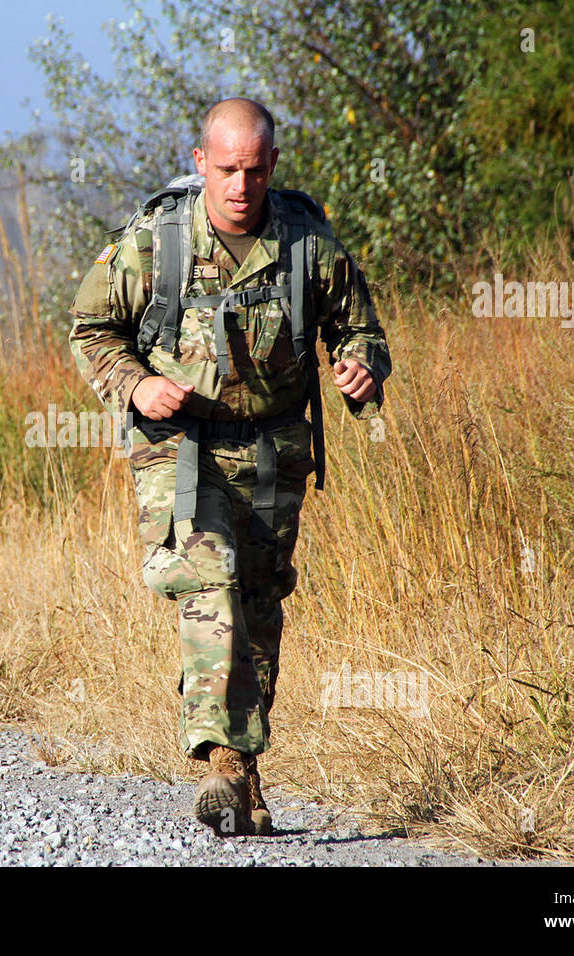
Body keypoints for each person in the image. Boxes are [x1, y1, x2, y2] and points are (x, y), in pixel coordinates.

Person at [68, 97, 392, 835]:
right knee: (207, 575)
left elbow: (361, 329)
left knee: (257, 603)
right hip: (179, 443)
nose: (240, 185)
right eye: (225, 170)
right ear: (199, 165)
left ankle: (243, 774)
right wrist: (138, 385)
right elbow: (92, 331)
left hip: (276, 445)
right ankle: (219, 764)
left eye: (252, 169)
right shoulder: (157, 242)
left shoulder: (309, 243)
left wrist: (360, 368)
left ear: (272, 165)